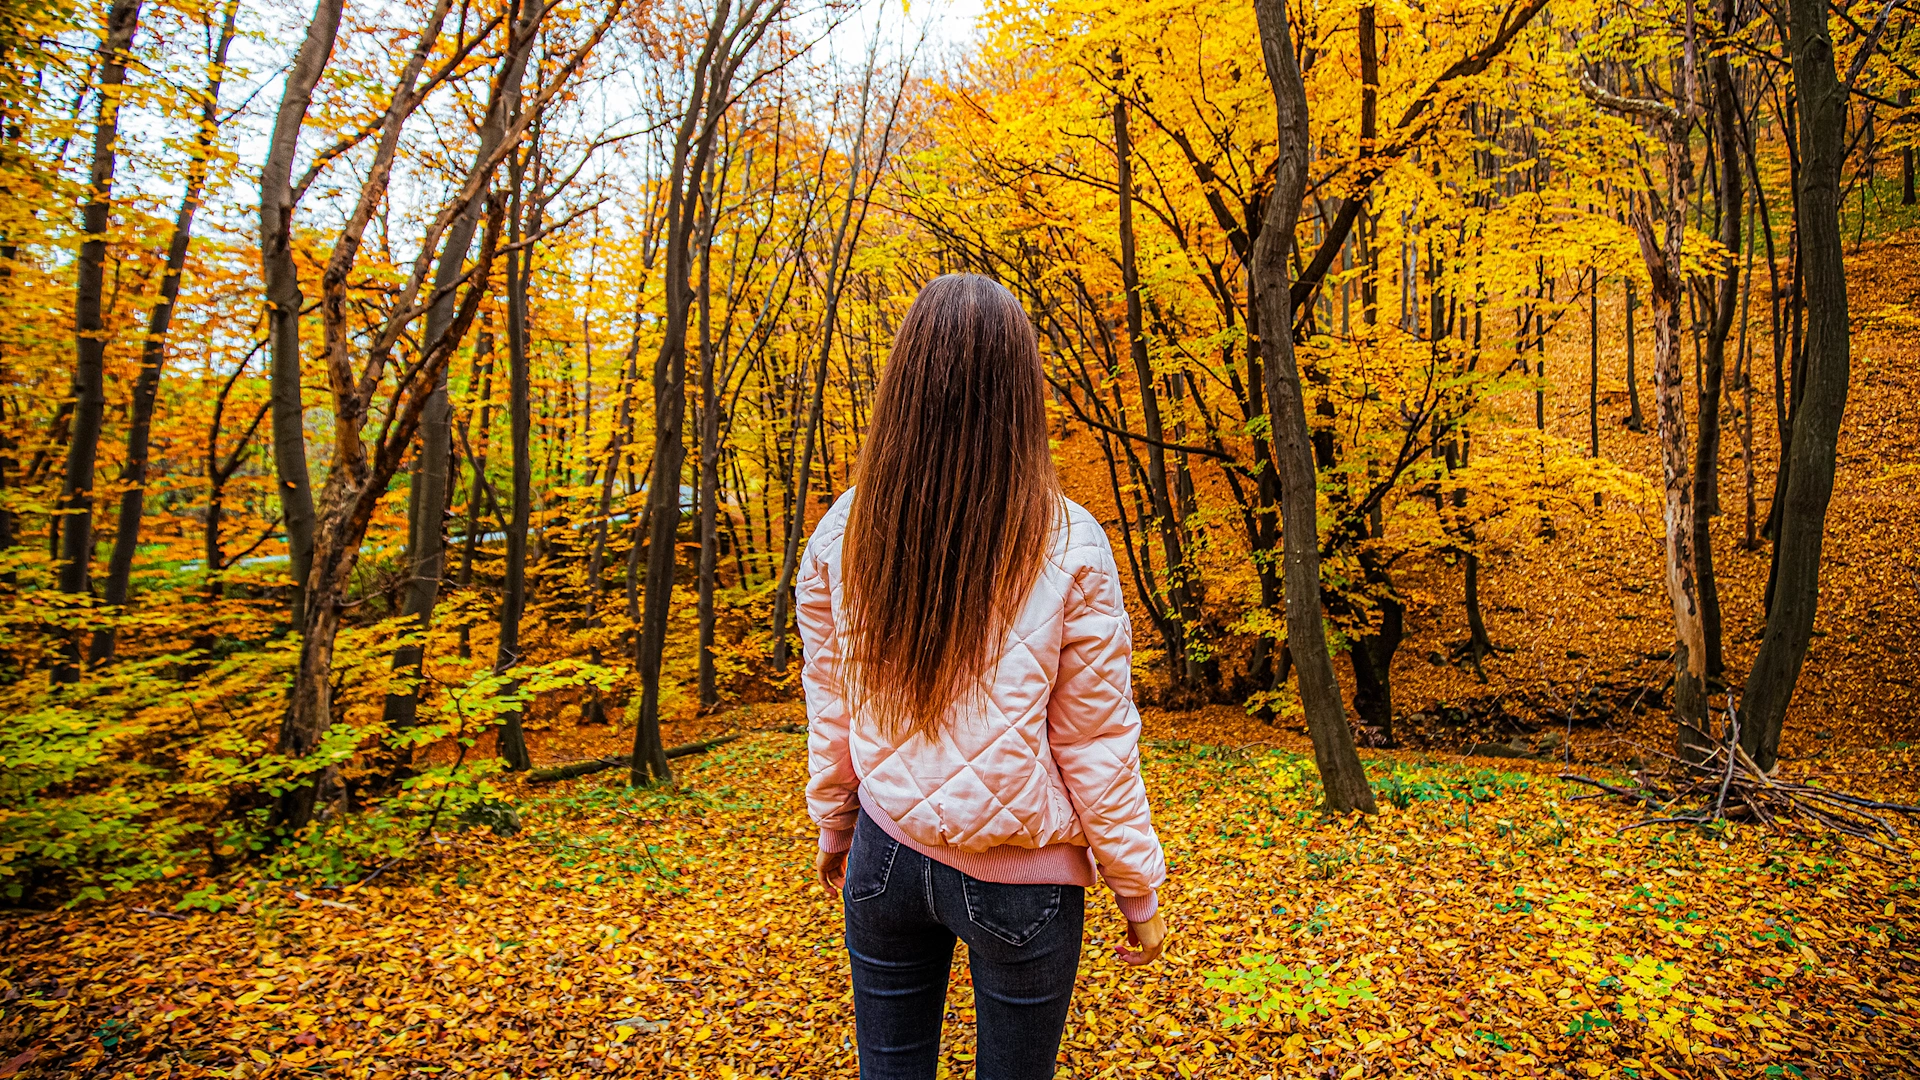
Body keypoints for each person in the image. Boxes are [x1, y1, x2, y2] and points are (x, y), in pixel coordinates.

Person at [797, 273, 1170, 1080]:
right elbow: (1096, 739)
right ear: (1020, 391)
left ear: (905, 381)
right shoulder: (1070, 541)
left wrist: (834, 820)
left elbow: (830, 698)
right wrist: (1135, 884)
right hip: (1023, 882)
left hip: (883, 854)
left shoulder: (842, 529)